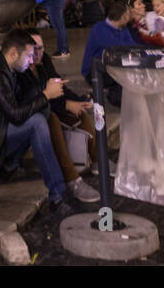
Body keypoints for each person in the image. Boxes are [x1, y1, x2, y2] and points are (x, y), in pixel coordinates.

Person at [0, 30, 71, 212]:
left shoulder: (7, 66)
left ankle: (9, 166)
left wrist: (44, 90)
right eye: (29, 56)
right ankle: (57, 194)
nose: (32, 61)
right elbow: (15, 114)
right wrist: (46, 94)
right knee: (37, 123)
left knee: (43, 109)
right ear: (13, 54)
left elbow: (18, 102)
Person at [16, 31, 101, 202]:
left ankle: (98, 159)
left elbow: (58, 87)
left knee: (79, 112)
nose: (38, 53)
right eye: (34, 49)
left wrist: (79, 100)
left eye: (41, 48)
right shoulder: (21, 68)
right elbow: (30, 100)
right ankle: (72, 179)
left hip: (48, 106)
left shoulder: (44, 61)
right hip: (31, 114)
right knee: (51, 119)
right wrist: (66, 104)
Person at [80, 0, 140, 106]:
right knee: (124, 75)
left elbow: (132, 46)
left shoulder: (123, 28)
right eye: (128, 14)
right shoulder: (99, 29)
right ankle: (115, 97)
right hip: (95, 71)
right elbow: (119, 47)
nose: (130, 16)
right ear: (122, 17)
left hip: (113, 66)